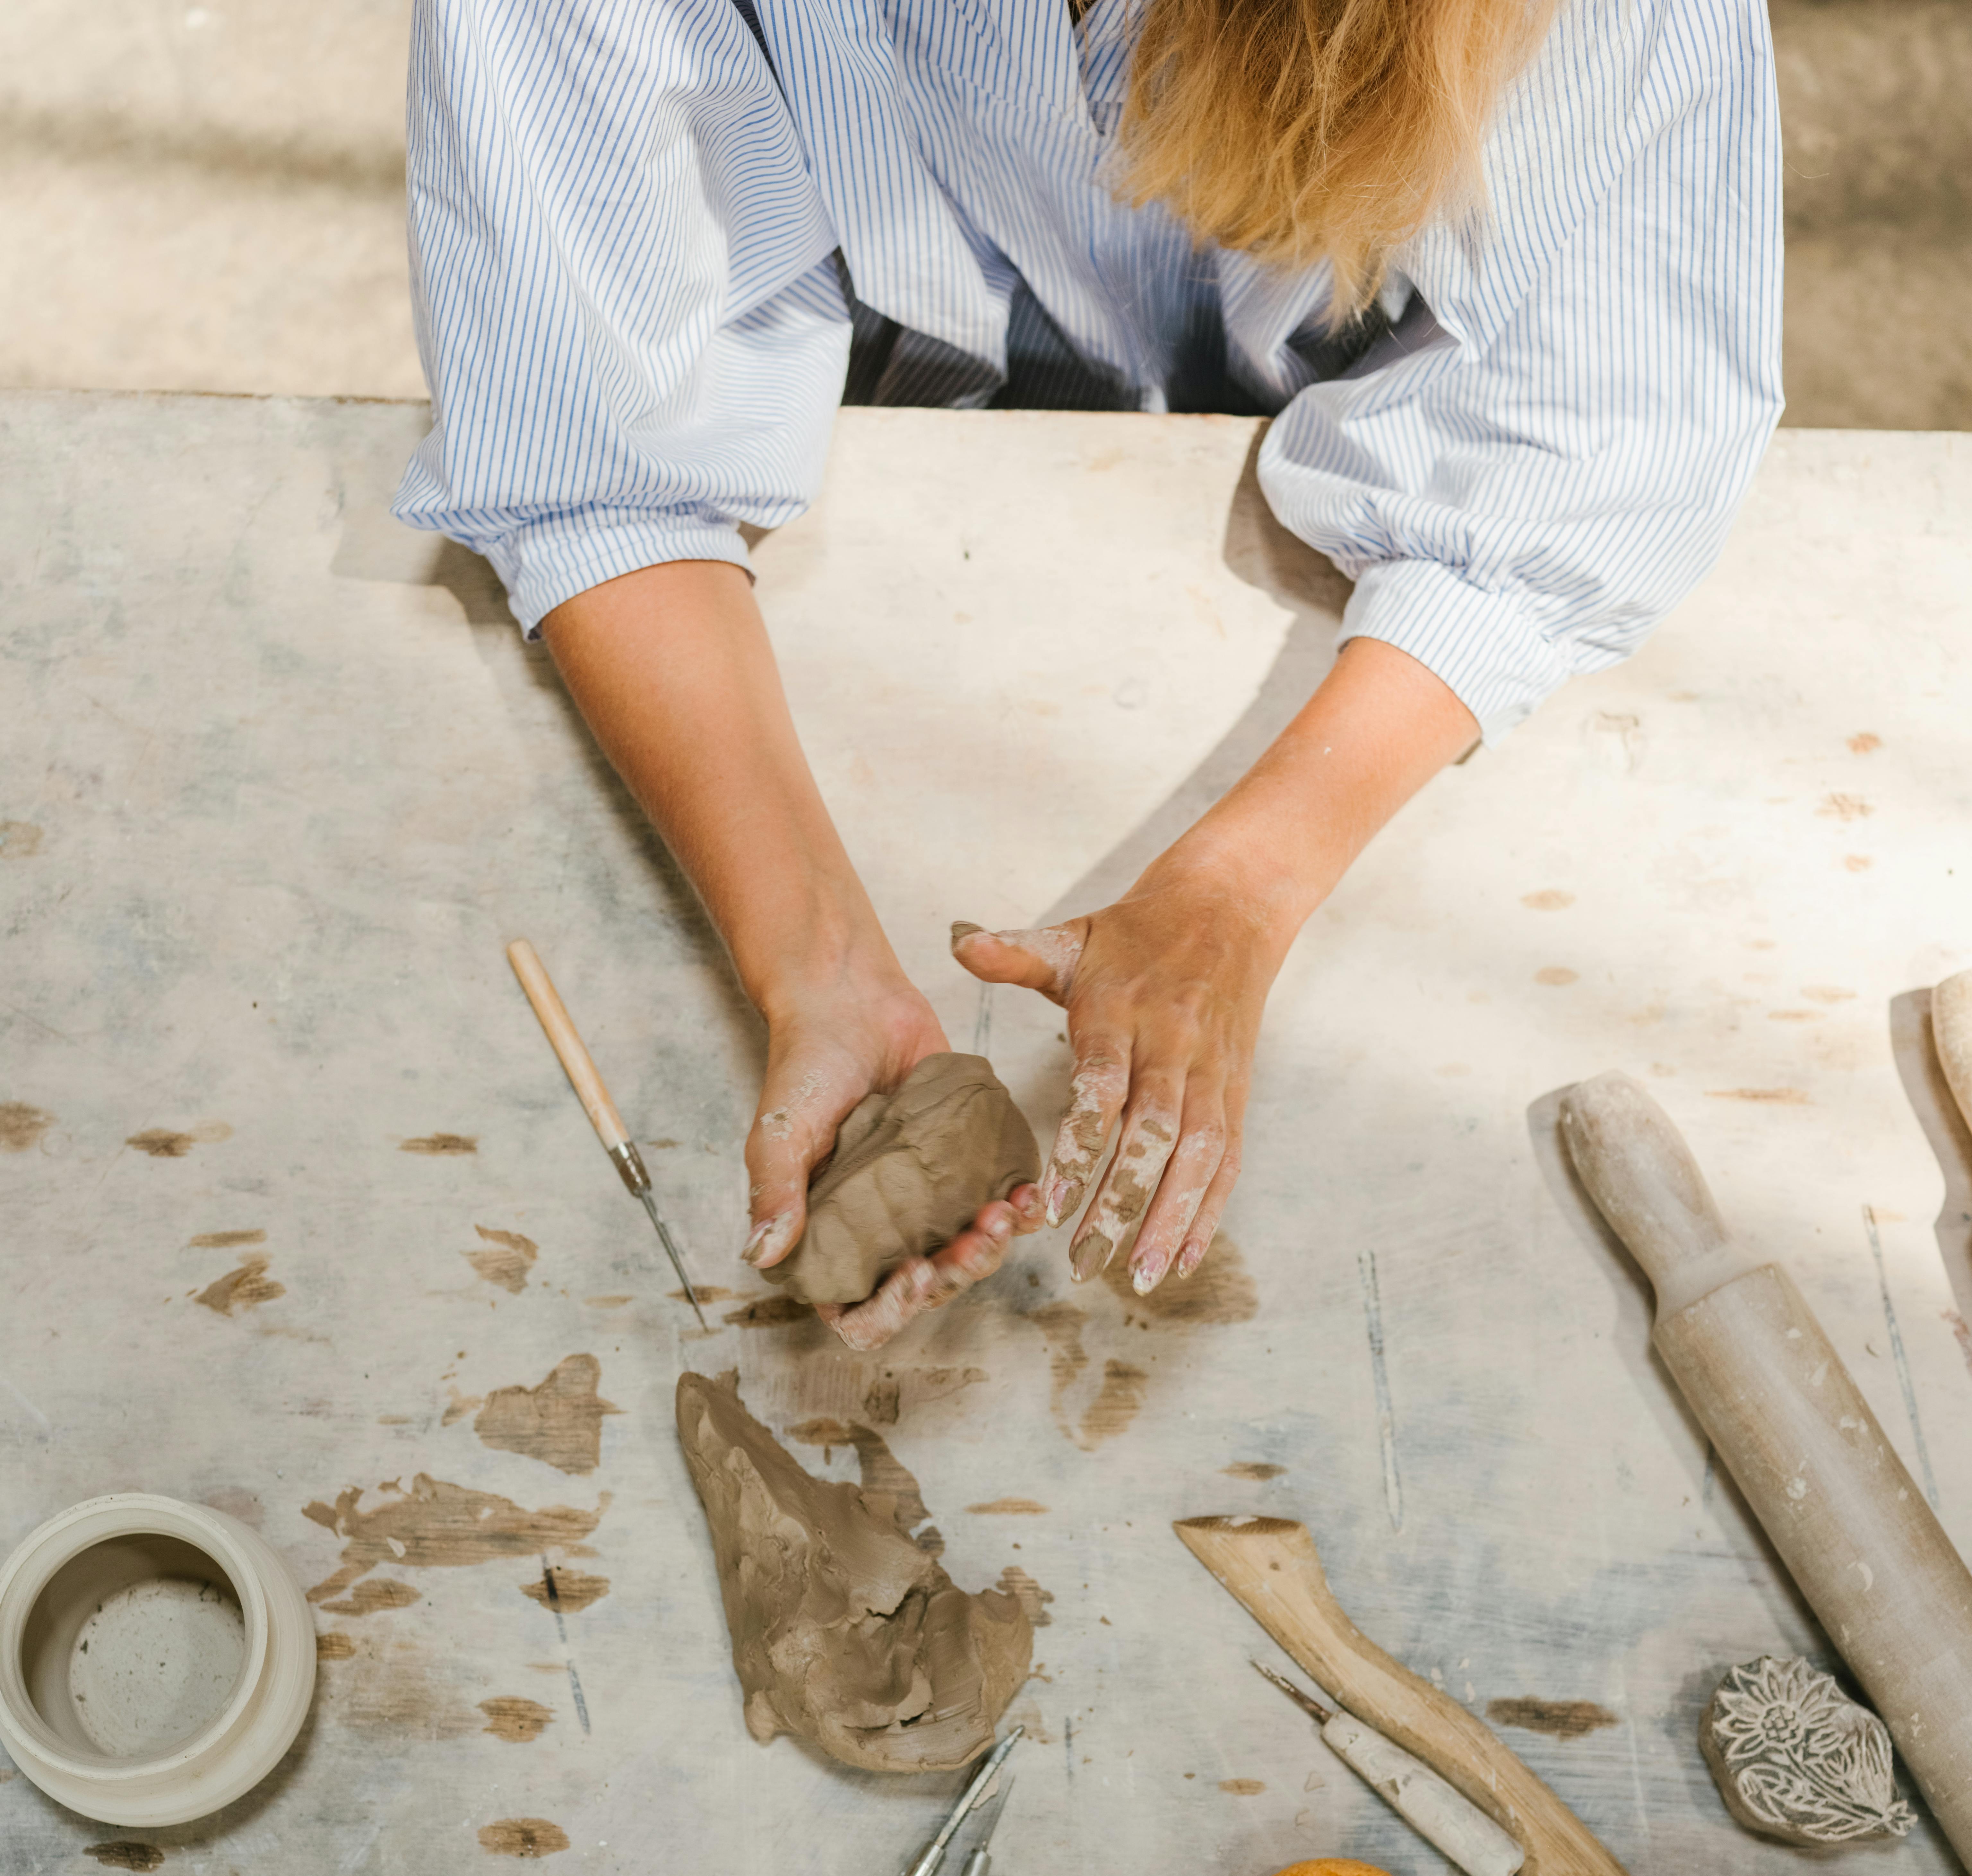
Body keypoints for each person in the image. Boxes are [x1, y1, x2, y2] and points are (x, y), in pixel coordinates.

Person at [397, 0, 1781, 1347]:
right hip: (880, 433)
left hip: (1368, 443)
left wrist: (1244, 887)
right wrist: (814, 965)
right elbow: (596, 439)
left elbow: (1596, 425)